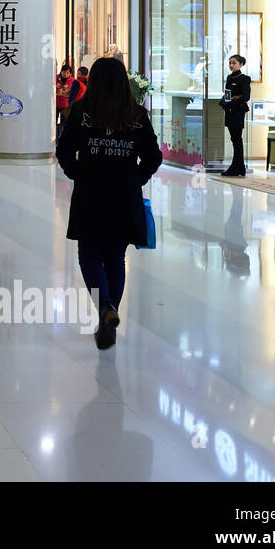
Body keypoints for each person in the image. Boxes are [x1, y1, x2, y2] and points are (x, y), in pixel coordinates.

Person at [56, 57, 163, 350]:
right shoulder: (137, 114)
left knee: (89, 256)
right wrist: (134, 179)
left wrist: (78, 173)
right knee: (116, 257)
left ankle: (104, 308)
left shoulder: (81, 111)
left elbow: (64, 150)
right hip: (124, 196)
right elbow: (154, 157)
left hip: (90, 192)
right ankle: (109, 316)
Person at [219, 54, 251, 177]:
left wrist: (233, 101)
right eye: (230, 63)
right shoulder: (229, 77)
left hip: (238, 111)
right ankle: (239, 167)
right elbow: (227, 94)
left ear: (241, 64)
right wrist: (225, 101)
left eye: (234, 63)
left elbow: (245, 96)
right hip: (229, 111)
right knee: (234, 139)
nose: (231, 65)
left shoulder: (244, 78)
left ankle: (236, 167)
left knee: (237, 139)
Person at [55, 65, 72, 139]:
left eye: (67, 72)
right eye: (64, 72)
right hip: (54, 104)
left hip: (65, 105)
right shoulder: (55, 78)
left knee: (64, 123)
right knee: (53, 123)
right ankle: (54, 138)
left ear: (70, 73)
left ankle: (62, 138)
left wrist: (67, 93)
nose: (65, 74)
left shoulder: (72, 81)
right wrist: (56, 87)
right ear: (61, 71)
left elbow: (72, 93)